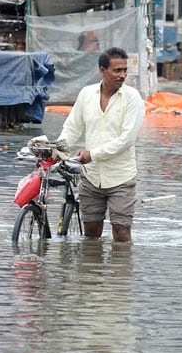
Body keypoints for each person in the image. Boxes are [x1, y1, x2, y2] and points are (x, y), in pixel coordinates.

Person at [57, 47, 145, 242]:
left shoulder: (132, 98)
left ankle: (120, 272)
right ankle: (91, 272)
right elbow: (72, 127)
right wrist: (58, 151)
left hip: (120, 178)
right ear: (102, 71)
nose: (122, 75)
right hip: (91, 177)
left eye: (124, 70)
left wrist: (92, 154)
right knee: (91, 234)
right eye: (117, 71)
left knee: (122, 233)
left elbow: (126, 140)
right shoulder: (86, 94)